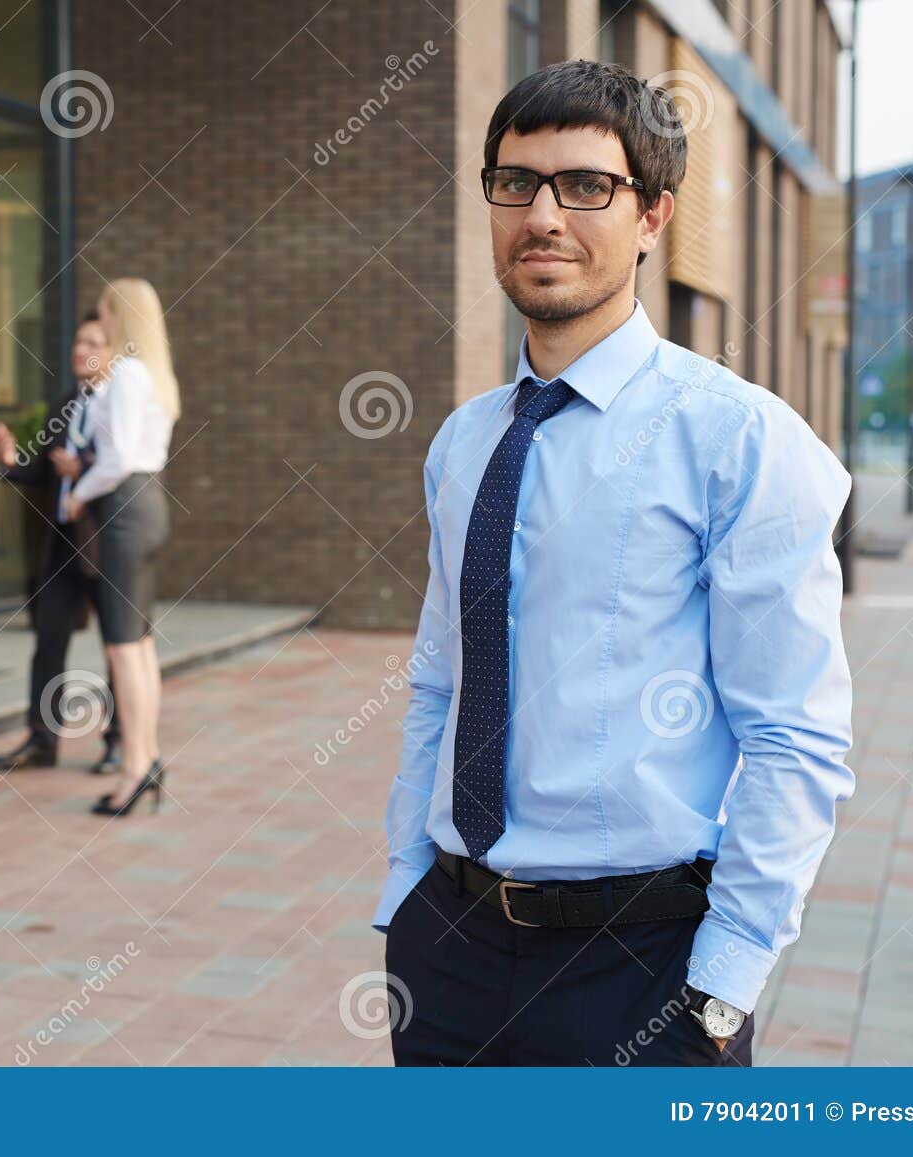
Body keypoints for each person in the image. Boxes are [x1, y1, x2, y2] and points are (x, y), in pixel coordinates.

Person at [375, 60, 853, 1067]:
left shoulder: (739, 439)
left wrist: (720, 985)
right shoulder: (464, 442)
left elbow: (794, 735)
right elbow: (437, 678)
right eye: (517, 182)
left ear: (651, 216)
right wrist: (404, 890)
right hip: (448, 953)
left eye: (586, 185)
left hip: (639, 971)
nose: (544, 214)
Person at [62, 279, 178, 817]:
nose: (100, 320)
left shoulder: (128, 373)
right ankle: (147, 758)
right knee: (141, 645)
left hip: (125, 509)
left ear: (119, 316)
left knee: (124, 649)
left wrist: (76, 498)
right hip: (146, 505)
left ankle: (134, 769)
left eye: (106, 311)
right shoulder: (150, 372)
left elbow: (119, 458)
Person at [0, 312, 122, 775]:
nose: (81, 350)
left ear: (113, 353)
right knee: (48, 643)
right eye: (78, 342)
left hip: (107, 542)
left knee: (118, 646)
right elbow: (45, 468)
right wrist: (10, 460)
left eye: (93, 343)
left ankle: (119, 742)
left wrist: (80, 470)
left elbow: (124, 469)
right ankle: (42, 740)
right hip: (63, 541)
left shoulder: (120, 406)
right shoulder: (66, 403)